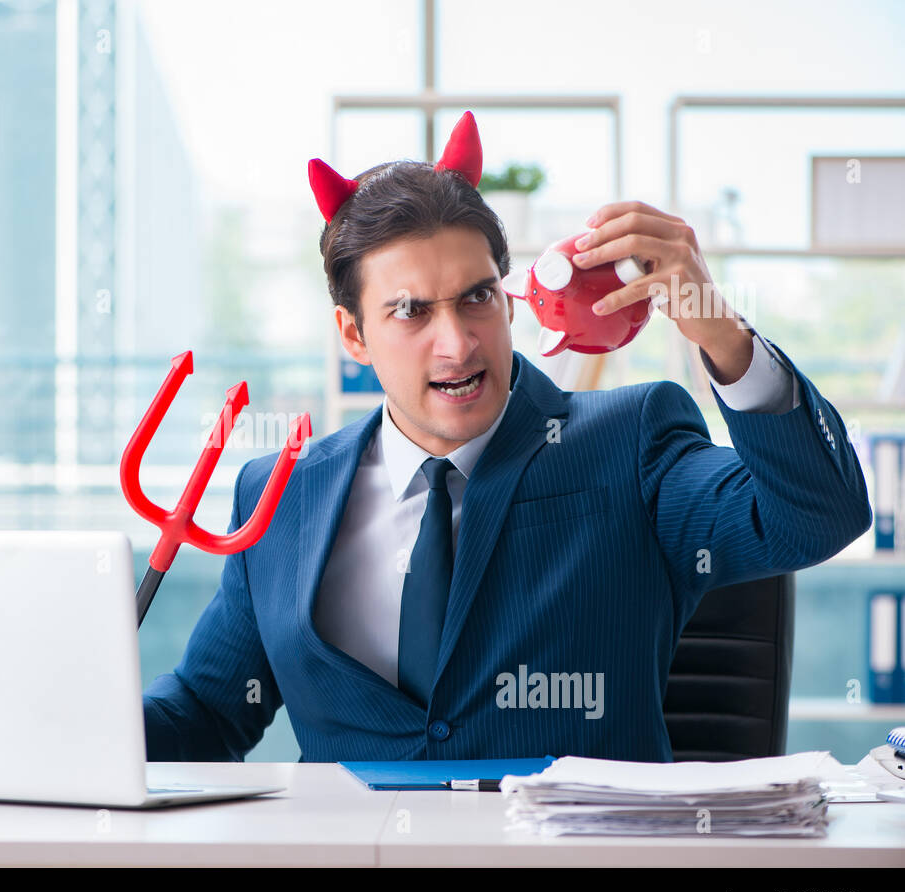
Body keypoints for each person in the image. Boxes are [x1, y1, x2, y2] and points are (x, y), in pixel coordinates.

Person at [142, 112, 872, 763]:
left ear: (510, 296)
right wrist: (63, 719)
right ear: (353, 336)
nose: (456, 343)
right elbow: (208, 714)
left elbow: (817, 514)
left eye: (477, 297)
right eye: (410, 312)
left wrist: (718, 327)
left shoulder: (631, 442)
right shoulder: (281, 496)